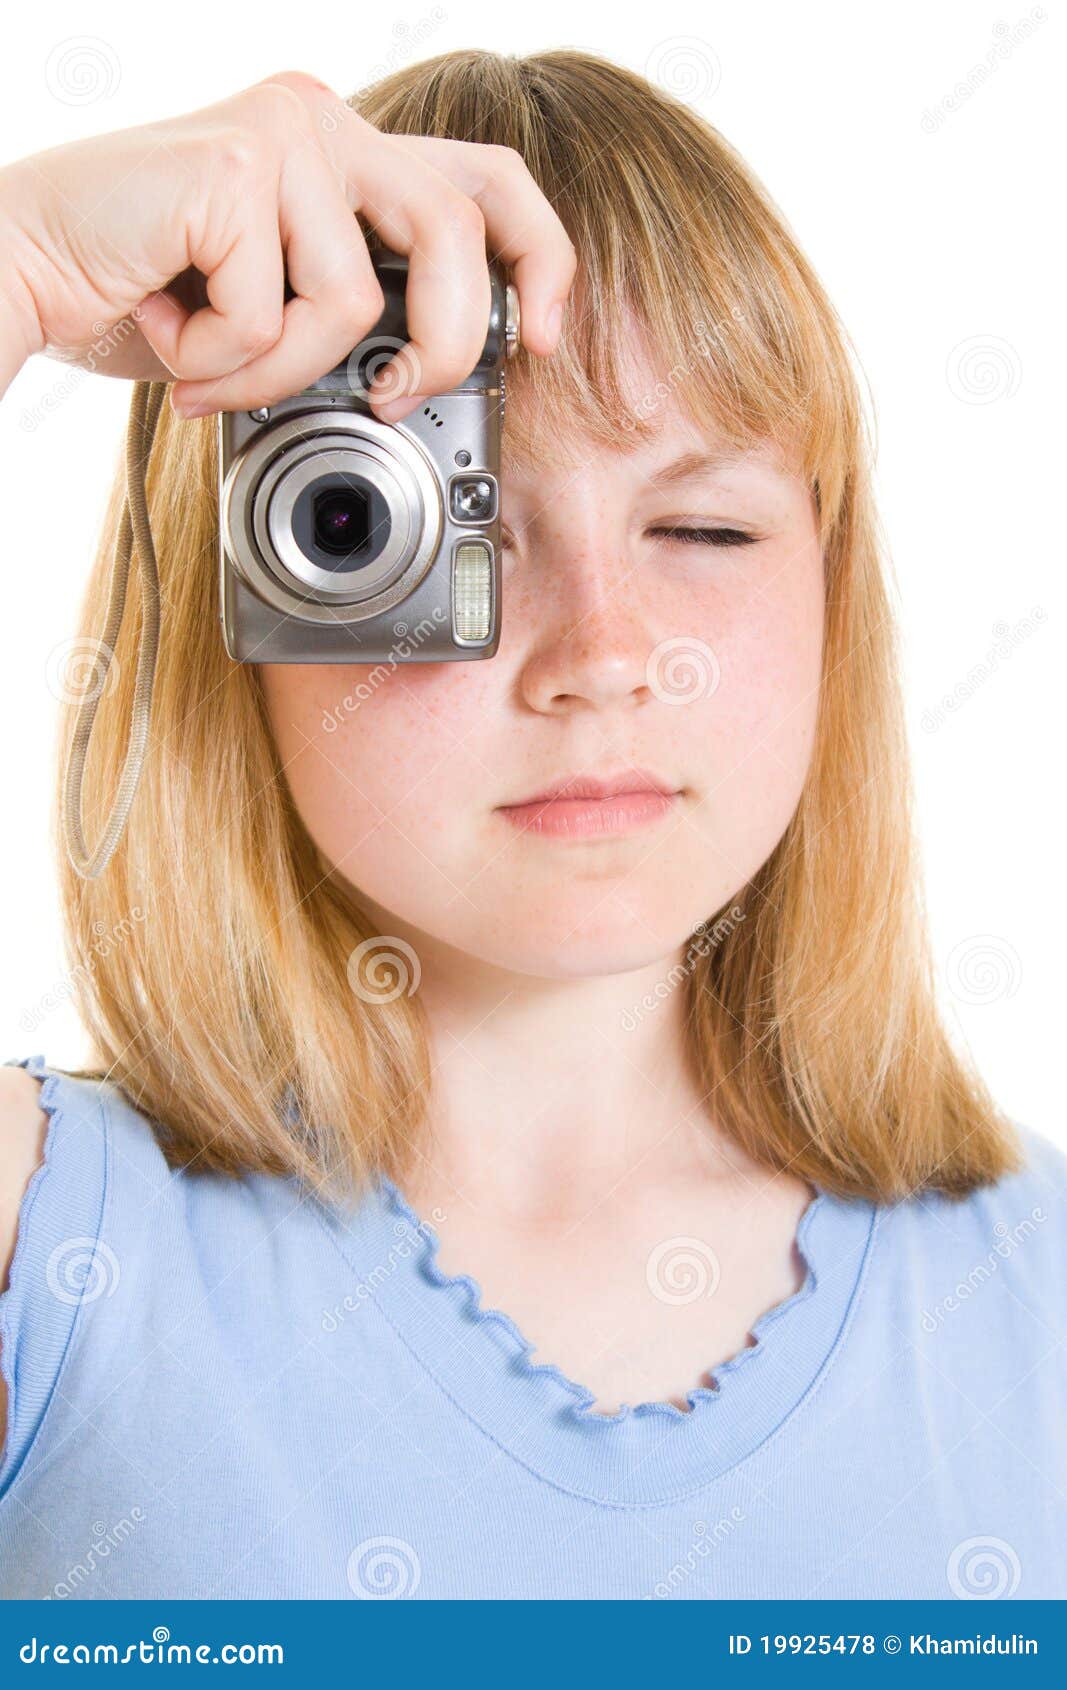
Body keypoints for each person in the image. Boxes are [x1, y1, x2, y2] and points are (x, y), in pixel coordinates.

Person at [0, 50, 1062, 1602]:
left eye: (703, 526)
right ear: (249, 601)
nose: (605, 652)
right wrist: (22, 259)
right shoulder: (48, 1250)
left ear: (835, 594)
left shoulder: (1038, 1307)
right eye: (439, 524)